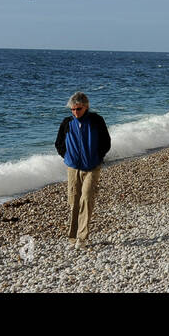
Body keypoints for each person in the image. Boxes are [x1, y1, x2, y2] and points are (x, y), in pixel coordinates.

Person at [54, 92, 111, 249]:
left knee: (86, 198)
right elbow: (58, 143)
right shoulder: (67, 123)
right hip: (73, 167)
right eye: (72, 109)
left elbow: (106, 142)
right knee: (74, 202)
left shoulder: (96, 121)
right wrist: (67, 157)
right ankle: (72, 238)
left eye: (78, 109)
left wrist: (98, 157)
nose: (75, 112)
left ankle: (82, 238)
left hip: (92, 167)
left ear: (86, 107)